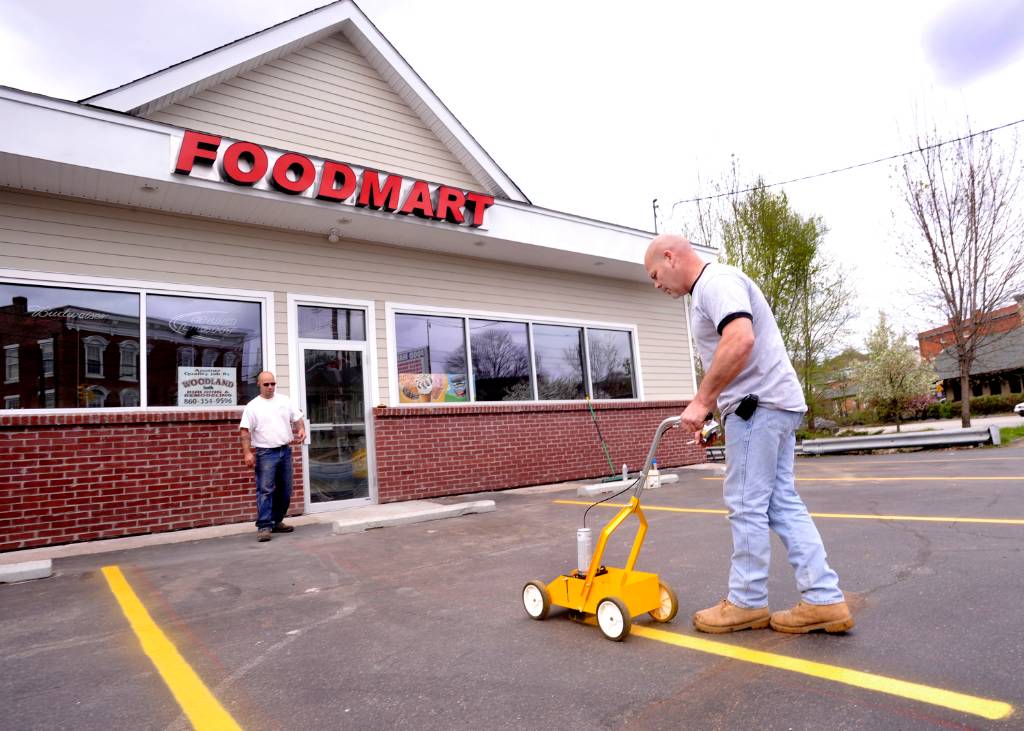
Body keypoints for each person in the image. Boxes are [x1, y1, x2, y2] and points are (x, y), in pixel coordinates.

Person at [644, 234, 853, 634]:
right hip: (771, 404)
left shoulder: (713, 283)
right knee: (780, 503)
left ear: (670, 257)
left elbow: (739, 340)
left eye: (656, 274)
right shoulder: (715, 285)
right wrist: (717, 414)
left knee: (746, 505)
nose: (657, 285)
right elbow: (738, 352)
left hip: (758, 407)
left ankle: (746, 602)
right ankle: (824, 599)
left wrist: (703, 400)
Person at [239, 371, 306, 542]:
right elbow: (245, 431)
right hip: (265, 453)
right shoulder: (252, 406)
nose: (270, 387)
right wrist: (247, 452)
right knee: (265, 490)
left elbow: (297, 417)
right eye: (266, 384)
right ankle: (264, 526)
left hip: (285, 450)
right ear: (259, 385)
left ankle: (276, 521)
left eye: (273, 384)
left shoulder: (284, 400)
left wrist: (301, 429)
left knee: (285, 490)